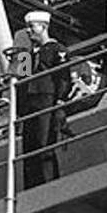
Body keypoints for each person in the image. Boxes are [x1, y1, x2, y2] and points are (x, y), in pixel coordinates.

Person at [20, 11, 69, 189]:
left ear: (44, 27)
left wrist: (60, 100)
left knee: (44, 143)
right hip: (30, 104)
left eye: (32, 26)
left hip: (46, 100)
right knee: (29, 148)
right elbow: (22, 81)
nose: (28, 31)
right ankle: (31, 187)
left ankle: (48, 185)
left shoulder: (57, 49)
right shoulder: (26, 56)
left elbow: (63, 76)